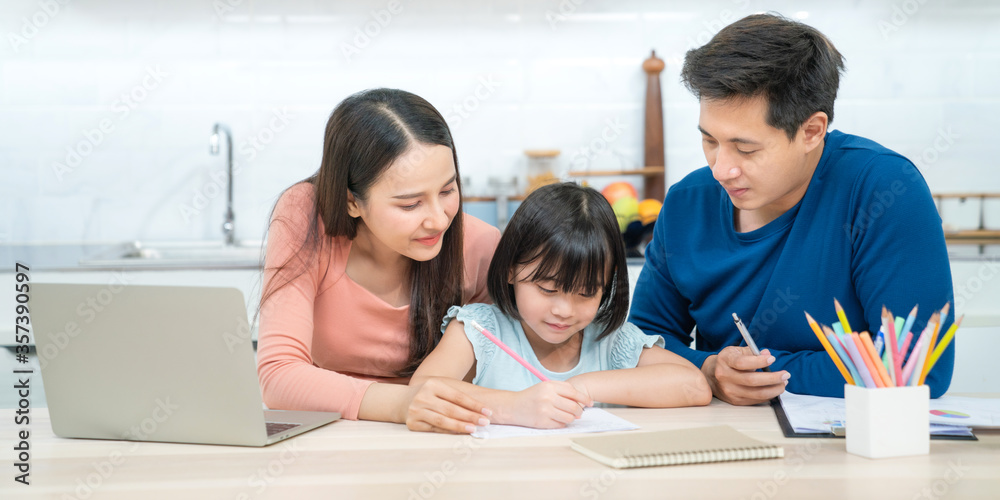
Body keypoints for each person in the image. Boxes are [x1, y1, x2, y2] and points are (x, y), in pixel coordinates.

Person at [629, 13, 955, 405]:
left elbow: (917, 368)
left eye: (746, 149)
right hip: (720, 430)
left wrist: (757, 374)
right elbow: (638, 343)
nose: (720, 170)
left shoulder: (886, 191)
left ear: (811, 131)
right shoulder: (687, 202)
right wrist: (710, 369)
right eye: (710, 141)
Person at [256, 88, 502, 433]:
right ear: (351, 202)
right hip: (330, 430)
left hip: (435, 435)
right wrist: (402, 404)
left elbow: (503, 370)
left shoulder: (480, 247)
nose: (439, 220)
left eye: (447, 190)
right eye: (410, 204)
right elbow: (278, 375)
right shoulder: (306, 214)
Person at [411, 182, 711, 429]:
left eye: (586, 293)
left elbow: (694, 386)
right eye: (547, 289)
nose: (564, 310)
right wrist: (515, 406)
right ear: (511, 269)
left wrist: (581, 387)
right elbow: (421, 390)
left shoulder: (611, 341)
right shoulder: (479, 330)